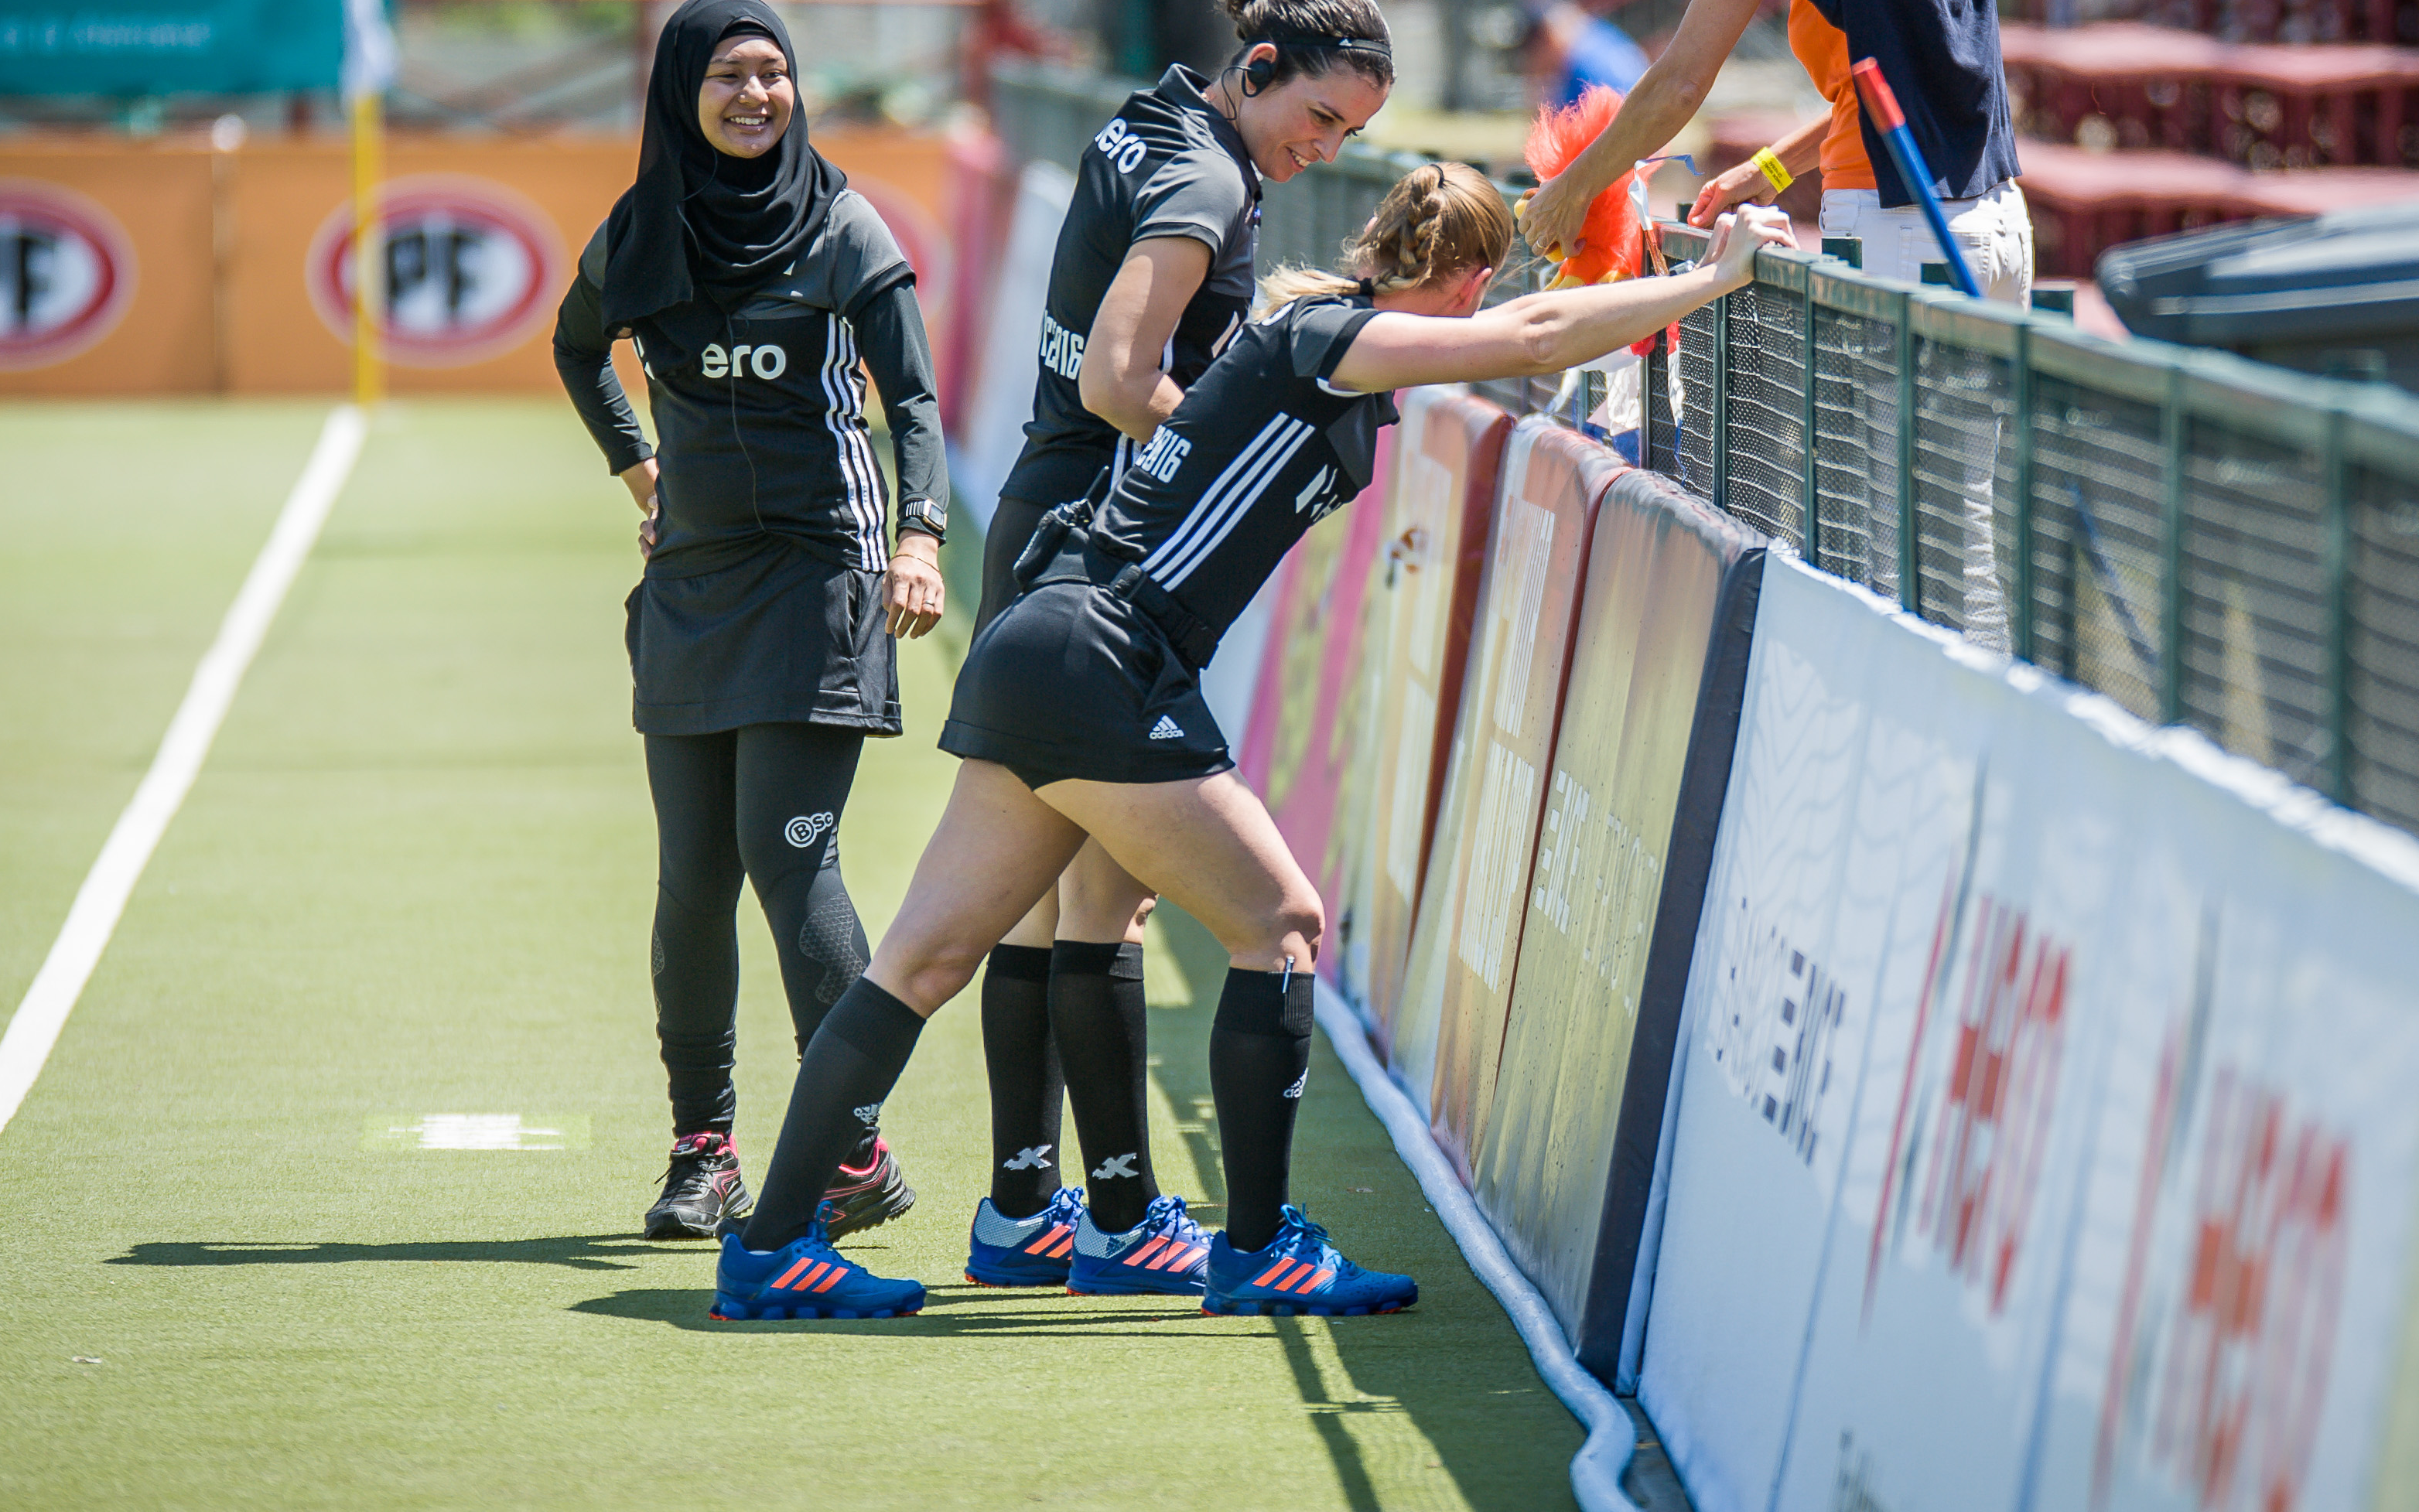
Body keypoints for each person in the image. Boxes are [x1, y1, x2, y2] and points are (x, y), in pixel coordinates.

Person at [703, 166, 1798, 1322]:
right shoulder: (1332, 334)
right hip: (1108, 654)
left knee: (920, 963)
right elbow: (1526, 339)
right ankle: (1261, 1247)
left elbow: (1515, 347)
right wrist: (1712, 279)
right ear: (1468, 277)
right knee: (1280, 926)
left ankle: (769, 1247)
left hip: (1047, 633)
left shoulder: (1313, 326)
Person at [966, 0, 1391, 1295]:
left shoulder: (1161, 126)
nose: (1326, 147)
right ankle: (1099, 1217)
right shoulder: (1210, 176)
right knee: (1094, 912)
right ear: (1258, 69)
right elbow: (1116, 377)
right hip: (1093, 552)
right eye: (1318, 117)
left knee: (1044, 911)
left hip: (1049, 525)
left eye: (1354, 134)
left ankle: (1036, 1209)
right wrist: (1221, 428)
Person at [1520, 0, 2031, 645]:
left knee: (1894, 562)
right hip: (1996, 226)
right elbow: (1903, 71)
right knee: (1962, 549)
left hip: (1896, 236)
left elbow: (1677, 83)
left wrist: (1573, 189)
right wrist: (1770, 169)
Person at [551, 0, 952, 1244]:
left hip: (820, 575)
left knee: (790, 860)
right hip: (692, 587)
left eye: (773, 72)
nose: (754, 95)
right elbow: (578, 347)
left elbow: (917, 400)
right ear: (683, 93)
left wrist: (920, 535)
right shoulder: (643, 229)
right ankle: (703, 1149)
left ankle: (851, 1145)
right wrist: (640, 471)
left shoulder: (844, 224)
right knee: (690, 880)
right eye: (727, 75)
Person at [1516, 0, 1652, 118]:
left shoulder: (1579, 67)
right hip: (1646, 118)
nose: (1531, 62)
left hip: (1626, 129)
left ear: (1547, 38)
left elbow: (1556, 129)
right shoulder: (1598, 31)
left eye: (1531, 53)